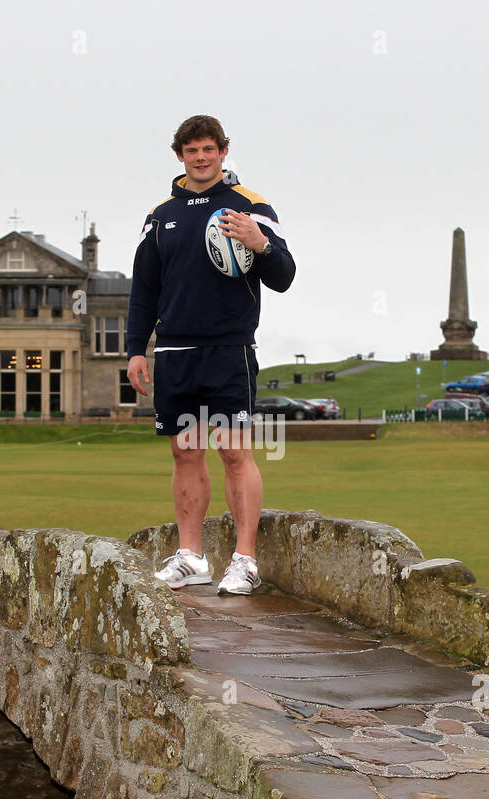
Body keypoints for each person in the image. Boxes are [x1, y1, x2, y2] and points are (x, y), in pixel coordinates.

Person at [126, 115, 296, 595]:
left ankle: (244, 561)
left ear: (224, 151)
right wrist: (137, 350)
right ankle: (191, 556)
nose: (201, 157)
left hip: (229, 350)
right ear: (179, 154)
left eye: (209, 148)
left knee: (234, 452)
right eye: (191, 150)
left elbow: (283, 275)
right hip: (176, 351)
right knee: (185, 452)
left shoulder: (250, 206)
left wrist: (259, 244)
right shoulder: (160, 215)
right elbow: (144, 289)